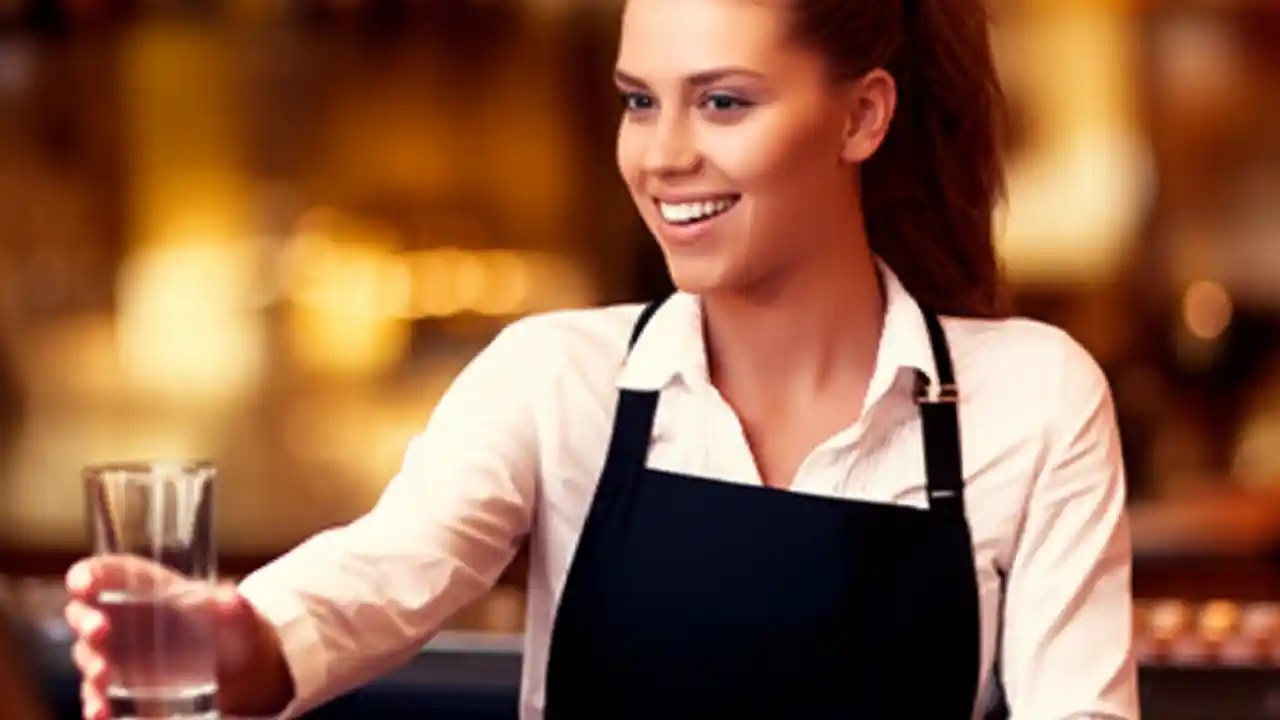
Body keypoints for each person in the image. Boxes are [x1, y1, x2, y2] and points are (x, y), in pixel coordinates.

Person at [64, 0, 1140, 717]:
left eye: (722, 100)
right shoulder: (554, 379)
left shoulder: (1031, 399)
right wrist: (233, 644)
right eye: (638, 100)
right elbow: (383, 574)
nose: (662, 154)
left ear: (861, 114)